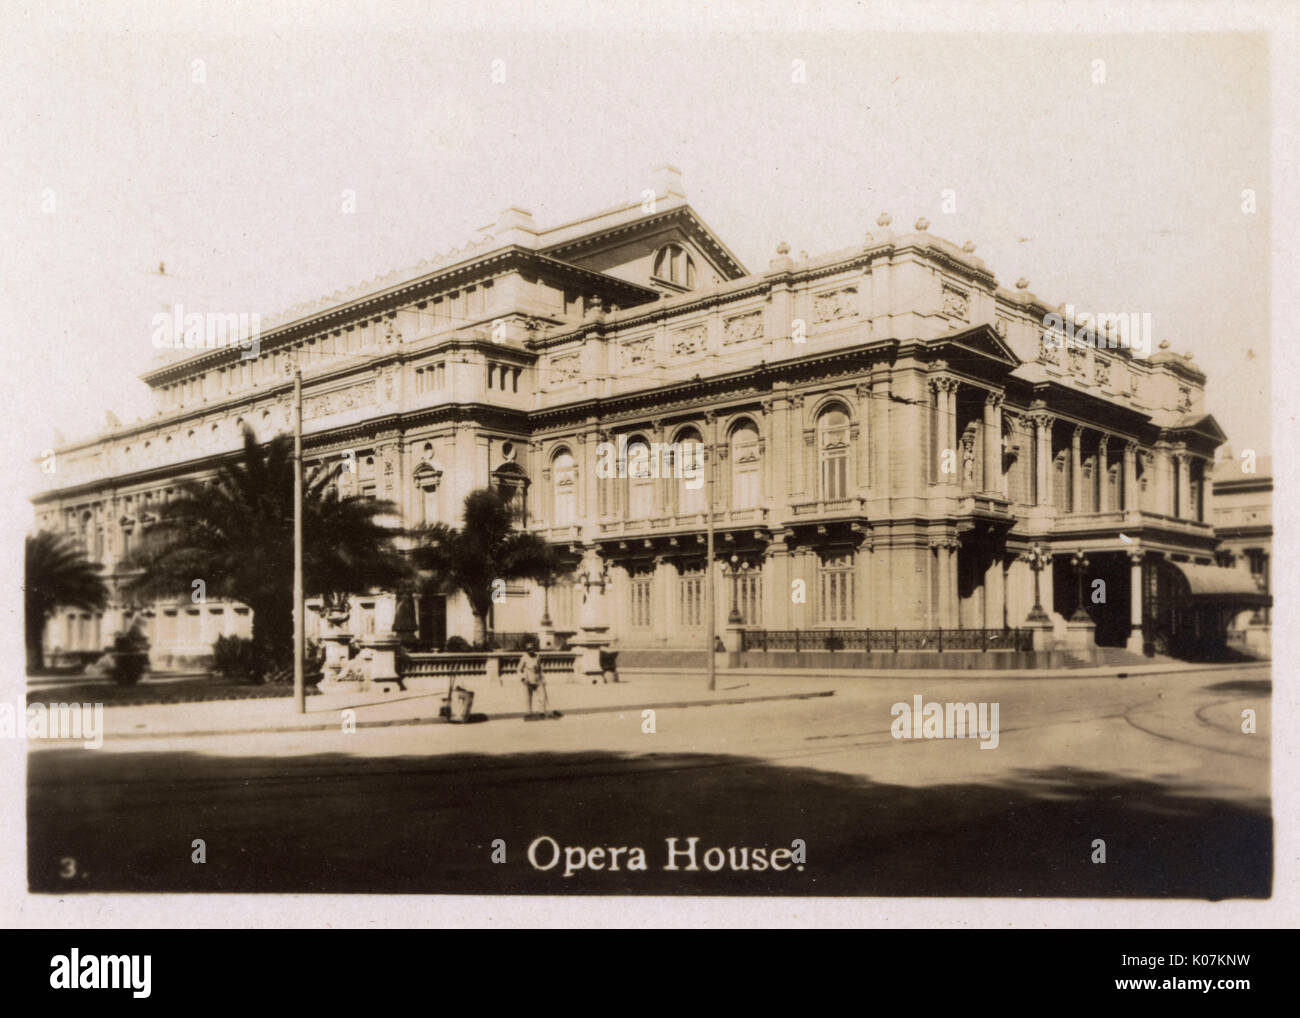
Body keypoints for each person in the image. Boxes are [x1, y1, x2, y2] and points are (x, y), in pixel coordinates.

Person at [518, 647, 551, 718]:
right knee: (528, 697)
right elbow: (518, 669)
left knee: (542, 695)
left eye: (532, 649)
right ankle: (528, 712)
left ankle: (542, 712)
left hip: (538, 679)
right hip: (528, 679)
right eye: (529, 650)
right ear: (527, 651)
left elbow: (540, 668)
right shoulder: (524, 657)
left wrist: (543, 678)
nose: (531, 651)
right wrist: (522, 678)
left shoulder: (537, 656)